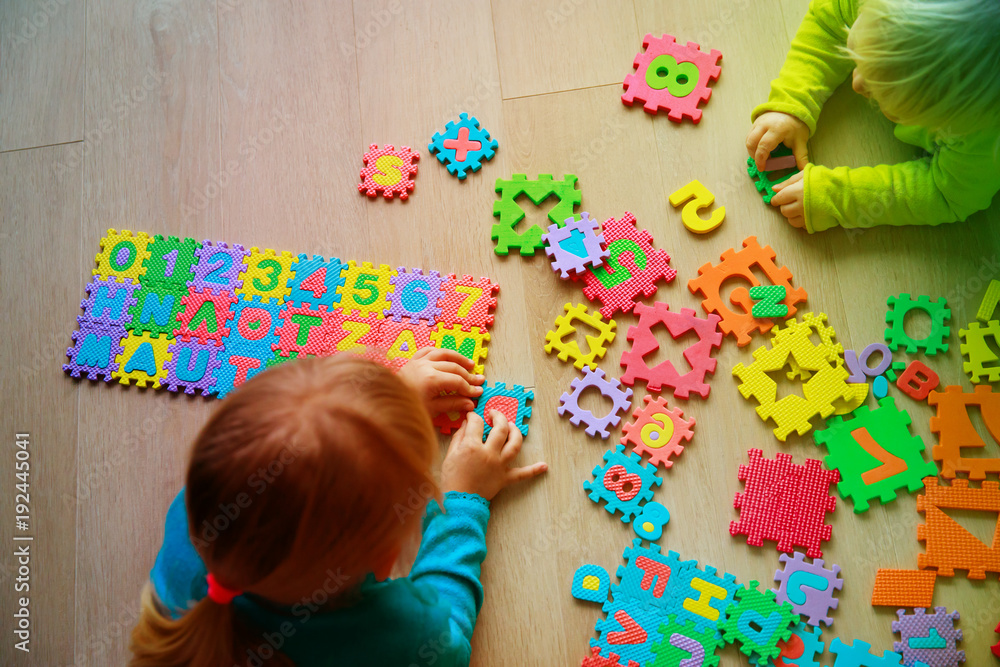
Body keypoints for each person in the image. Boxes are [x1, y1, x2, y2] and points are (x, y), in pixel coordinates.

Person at [129, 348, 547, 667]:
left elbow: (304, 464)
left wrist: (389, 405)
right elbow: (450, 646)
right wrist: (462, 501)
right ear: (386, 560)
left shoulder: (201, 509)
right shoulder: (394, 631)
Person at [746, 0, 1000, 232]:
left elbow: (946, 194)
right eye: (857, 51)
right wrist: (793, 103)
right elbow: (829, 22)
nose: (857, 84)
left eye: (885, 94)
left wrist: (840, 198)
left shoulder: (984, 139)